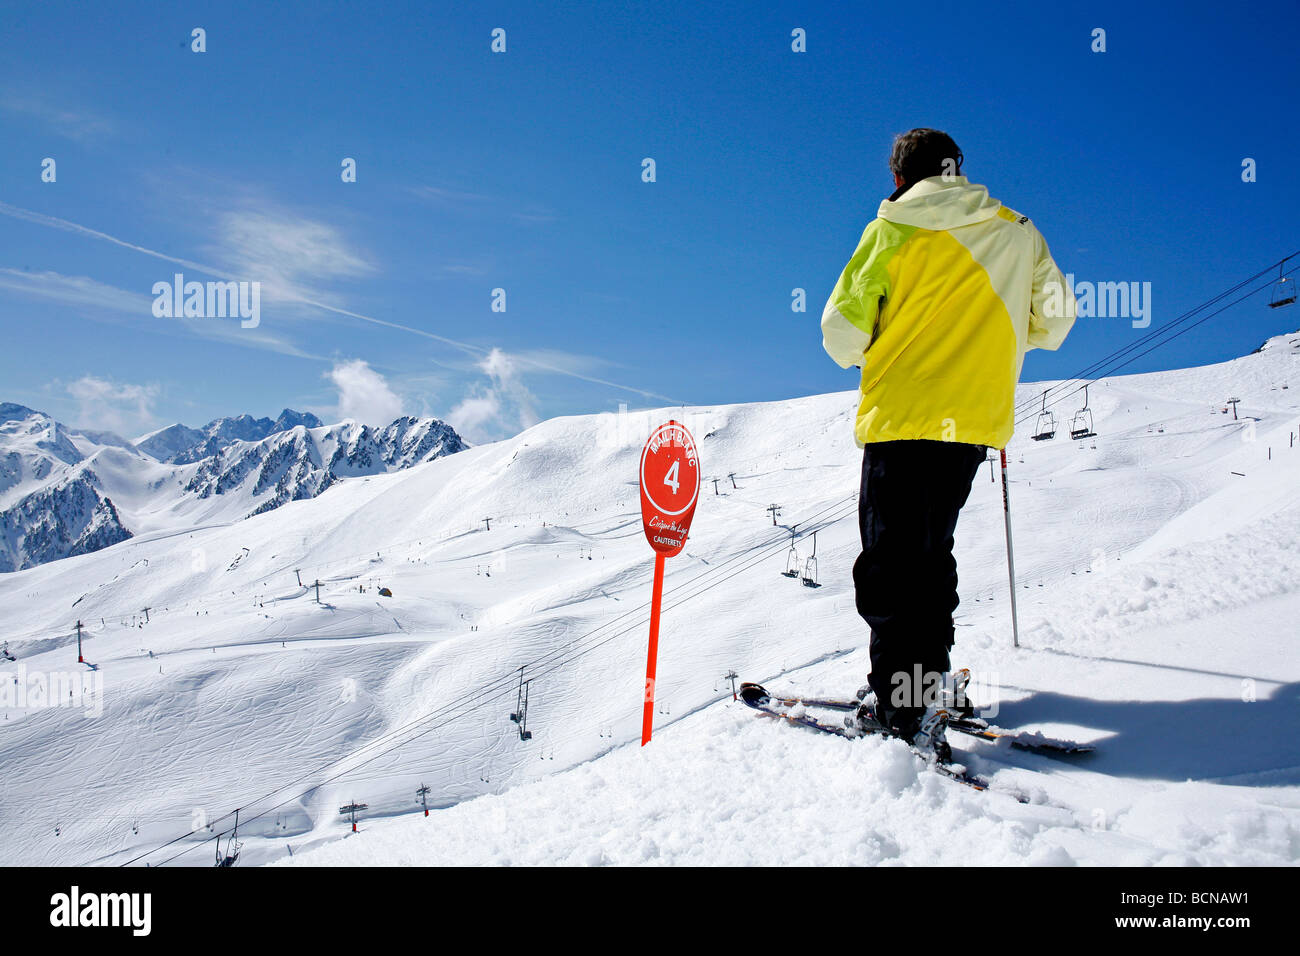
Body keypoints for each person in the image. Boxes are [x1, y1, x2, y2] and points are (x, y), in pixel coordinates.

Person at [820, 128, 1076, 757]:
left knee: (889, 566)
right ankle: (927, 685)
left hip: (903, 416)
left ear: (901, 177)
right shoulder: (1017, 231)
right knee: (931, 555)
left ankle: (899, 706)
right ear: (957, 171)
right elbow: (1058, 321)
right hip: (973, 422)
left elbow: (841, 335)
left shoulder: (891, 231)